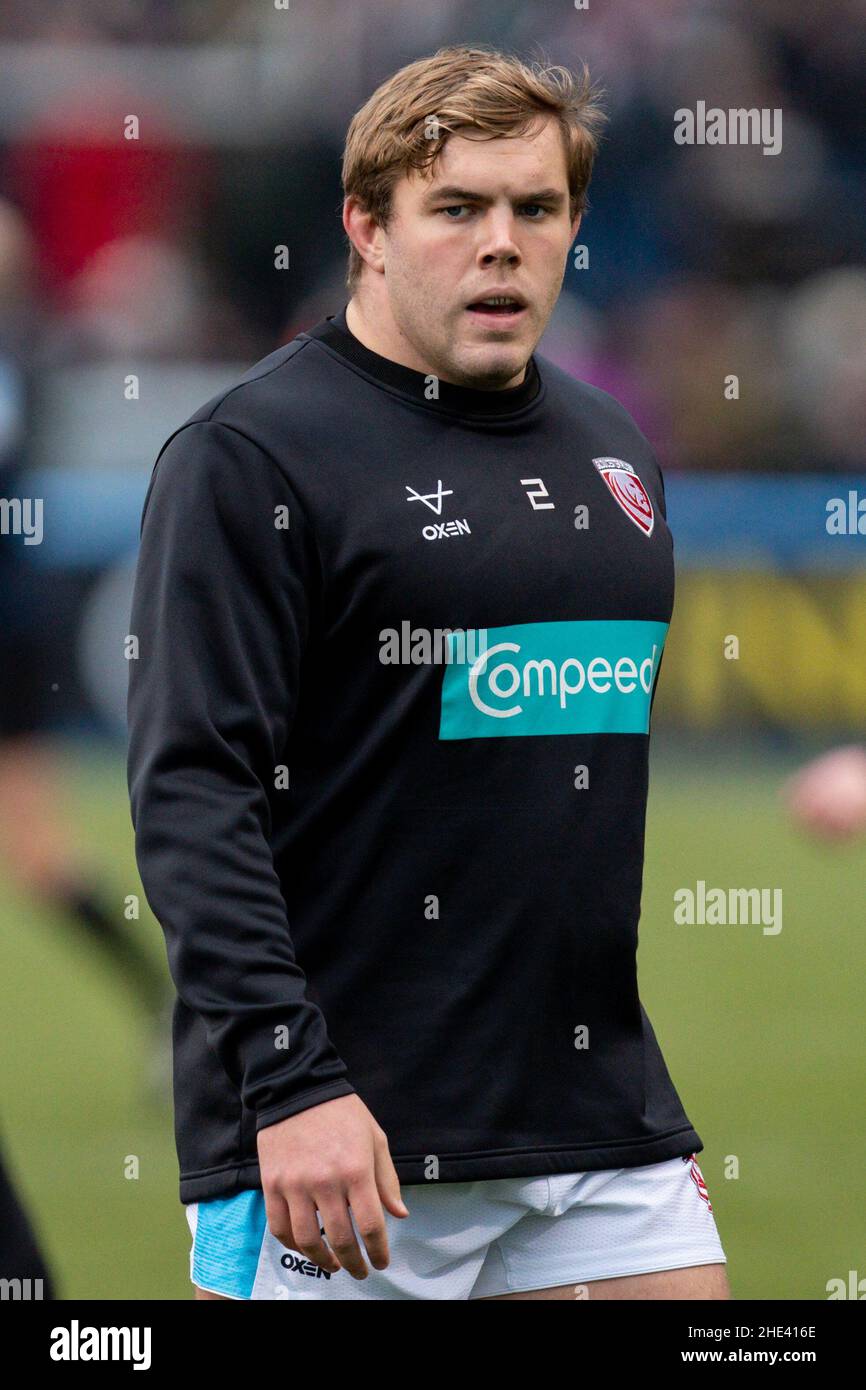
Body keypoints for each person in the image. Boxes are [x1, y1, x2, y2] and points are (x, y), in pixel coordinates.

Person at [127, 45, 729, 1301]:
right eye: (455, 208)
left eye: (535, 206)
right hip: (345, 1151)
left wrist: (619, 1105)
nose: (500, 243)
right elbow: (192, 795)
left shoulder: (614, 453)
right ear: (367, 226)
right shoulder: (248, 457)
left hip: (593, 1134)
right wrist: (291, 1085)